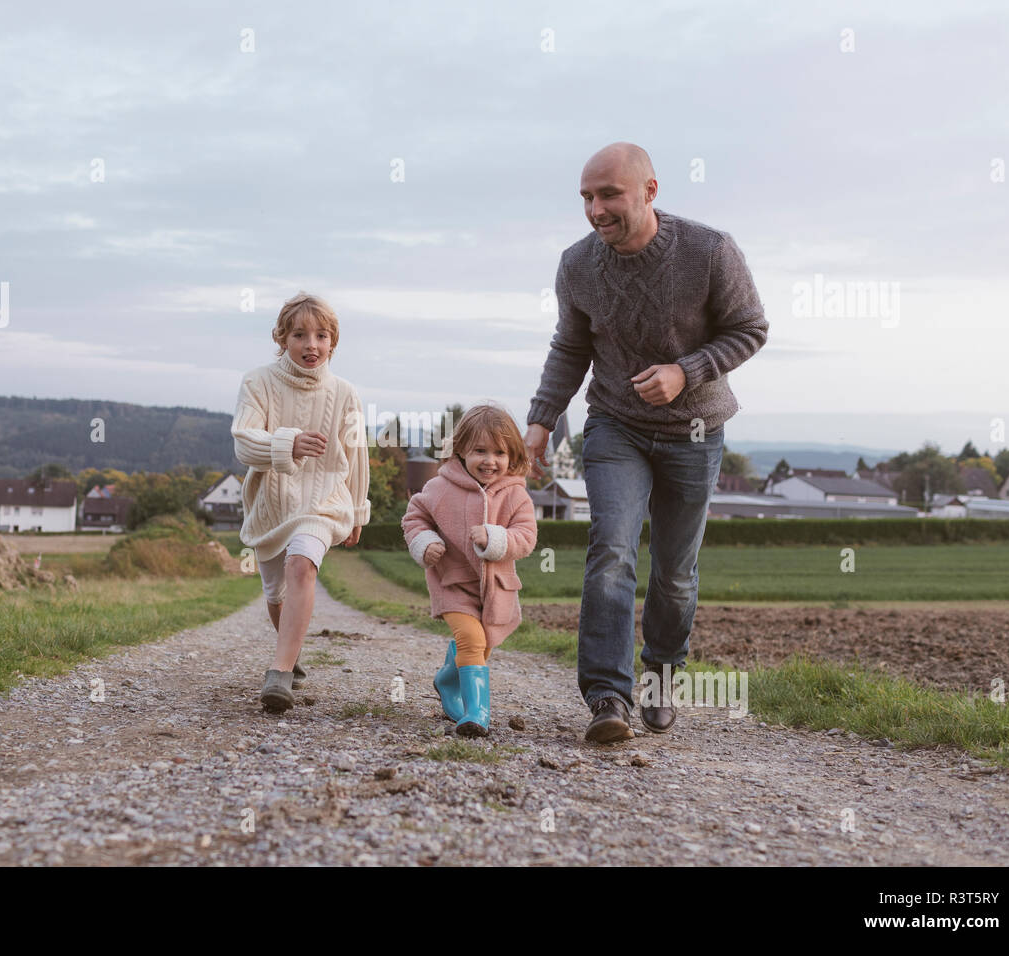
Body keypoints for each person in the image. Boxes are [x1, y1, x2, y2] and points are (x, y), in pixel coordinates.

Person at [523, 142, 768, 743]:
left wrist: (686, 371)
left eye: (609, 194)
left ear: (650, 191)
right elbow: (571, 347)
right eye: (586, 196)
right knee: (611, 549)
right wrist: (540, 418)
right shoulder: (576, 265)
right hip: (615, 425)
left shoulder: (710, 251)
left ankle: (661, 677)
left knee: (675, 573)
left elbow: (751, 329)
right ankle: (608, 695)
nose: (595, 209)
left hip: (695, 430)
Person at [231, 292, 371, 712]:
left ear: (333, 343)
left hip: (325, 499)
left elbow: (357, 454)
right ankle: (290, 652)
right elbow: (243, 444)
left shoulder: (346, 393)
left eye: (321, 336)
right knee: (275, 593)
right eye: (300, 335)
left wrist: (359, 509)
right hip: (271, 504)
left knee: (301, 564)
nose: (312, 344)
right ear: (282, 338)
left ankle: (279, 673)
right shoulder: (257, 382)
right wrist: (288, 443)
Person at [401, 404, 538, 736]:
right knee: (471, 639)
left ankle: (447, 679)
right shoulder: (440, 488)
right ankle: (477, 713)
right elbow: (414, 517)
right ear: (461, 449)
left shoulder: (516, 495)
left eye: (499, 453)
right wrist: (424, 541)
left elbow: (527, 537)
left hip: (495, 589)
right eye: (480, 450)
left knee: (483, 642)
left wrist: (496, 537)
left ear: (512, 456)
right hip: (453, 582)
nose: (490, 460)